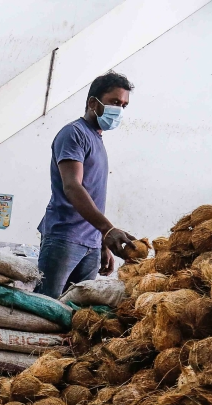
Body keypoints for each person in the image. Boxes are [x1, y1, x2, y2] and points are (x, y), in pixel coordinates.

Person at [35, 71, 137, 299]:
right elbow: (72, 186)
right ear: (93, 102)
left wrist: (101, 242)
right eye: (114, 102)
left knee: (77, 312)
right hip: (65, 237)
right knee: (46, 304)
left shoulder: (96, 139)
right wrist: (107, 229)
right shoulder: (74, 133)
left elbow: (93, 195)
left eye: (124, 105)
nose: (119, 110)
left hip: (90, 242)